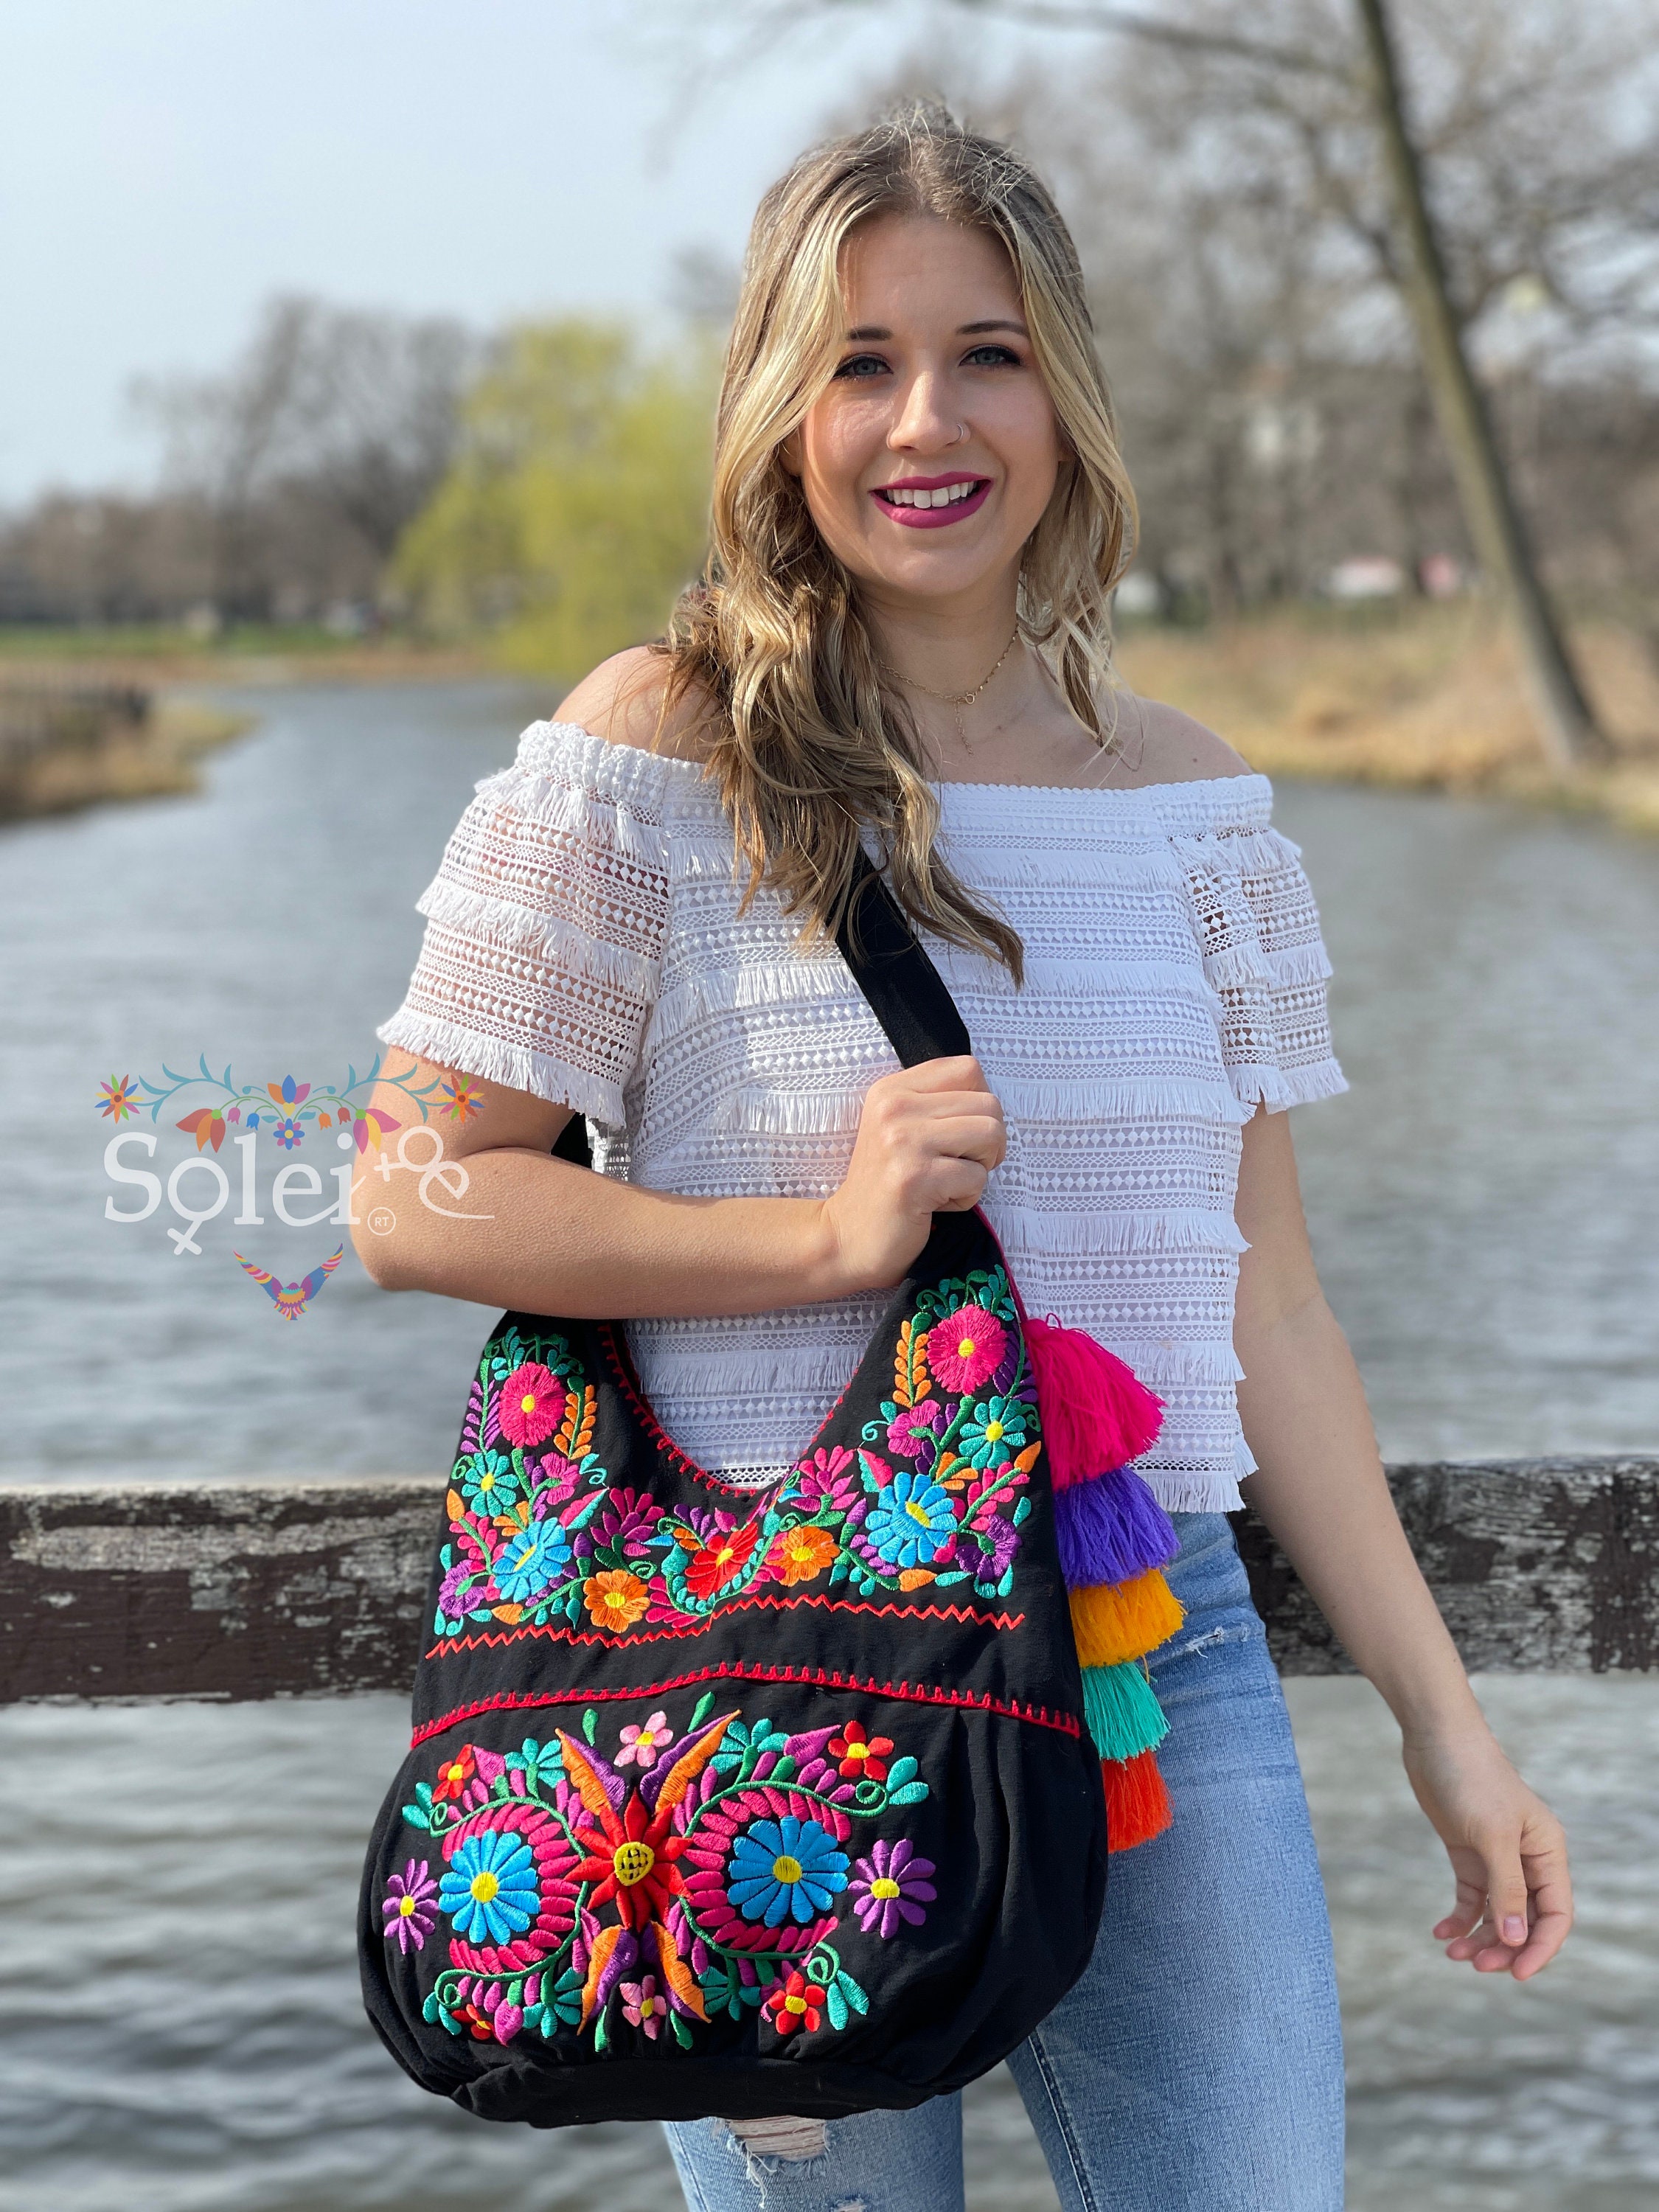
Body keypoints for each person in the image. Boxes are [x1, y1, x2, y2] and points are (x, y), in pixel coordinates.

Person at [360, 104, 1572, 2212]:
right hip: (765, 1646)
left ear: (1063, 393)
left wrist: (1439, 1726)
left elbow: (1262, 1305)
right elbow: (408, 1194)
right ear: (777, 407)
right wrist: (821, 1235)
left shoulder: (1195, 811)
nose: (926, 419)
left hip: (1151, 1651)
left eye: (985, 350)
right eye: (858, 360)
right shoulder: (656, 752)